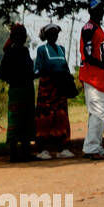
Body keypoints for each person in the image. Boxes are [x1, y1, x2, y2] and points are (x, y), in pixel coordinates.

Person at [79, 0, 104, 159]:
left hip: (99, 78)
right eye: (98, 9)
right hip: (93, 76)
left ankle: (93, 146)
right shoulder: (89, 28)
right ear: (91, 11)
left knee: (96, 113)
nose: (101, 12)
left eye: (102, 9)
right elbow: (88, 56)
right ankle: (92, 149)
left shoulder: (97, 28)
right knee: (98, 113)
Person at [33, 23, 74, 159]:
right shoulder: (41, 50)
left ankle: (62, 148)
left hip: (60, 89)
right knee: (45, 118)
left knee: (61, 117)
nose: (54, 36)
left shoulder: (61, 49)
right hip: (47, 90)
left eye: (56, 34)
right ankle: (42, 150)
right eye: (51, 34)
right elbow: (38, 69)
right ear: (46, 36)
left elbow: (65, 67)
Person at [0, 22, 36, 162]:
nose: (23, 37)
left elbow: (2, 74)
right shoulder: (19, 52)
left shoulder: (12, 52)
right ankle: (21, 153)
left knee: (17, 122)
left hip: (17, 90)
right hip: (23, 89)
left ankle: (17, 154)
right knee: (23, 120)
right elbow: (29, 71)